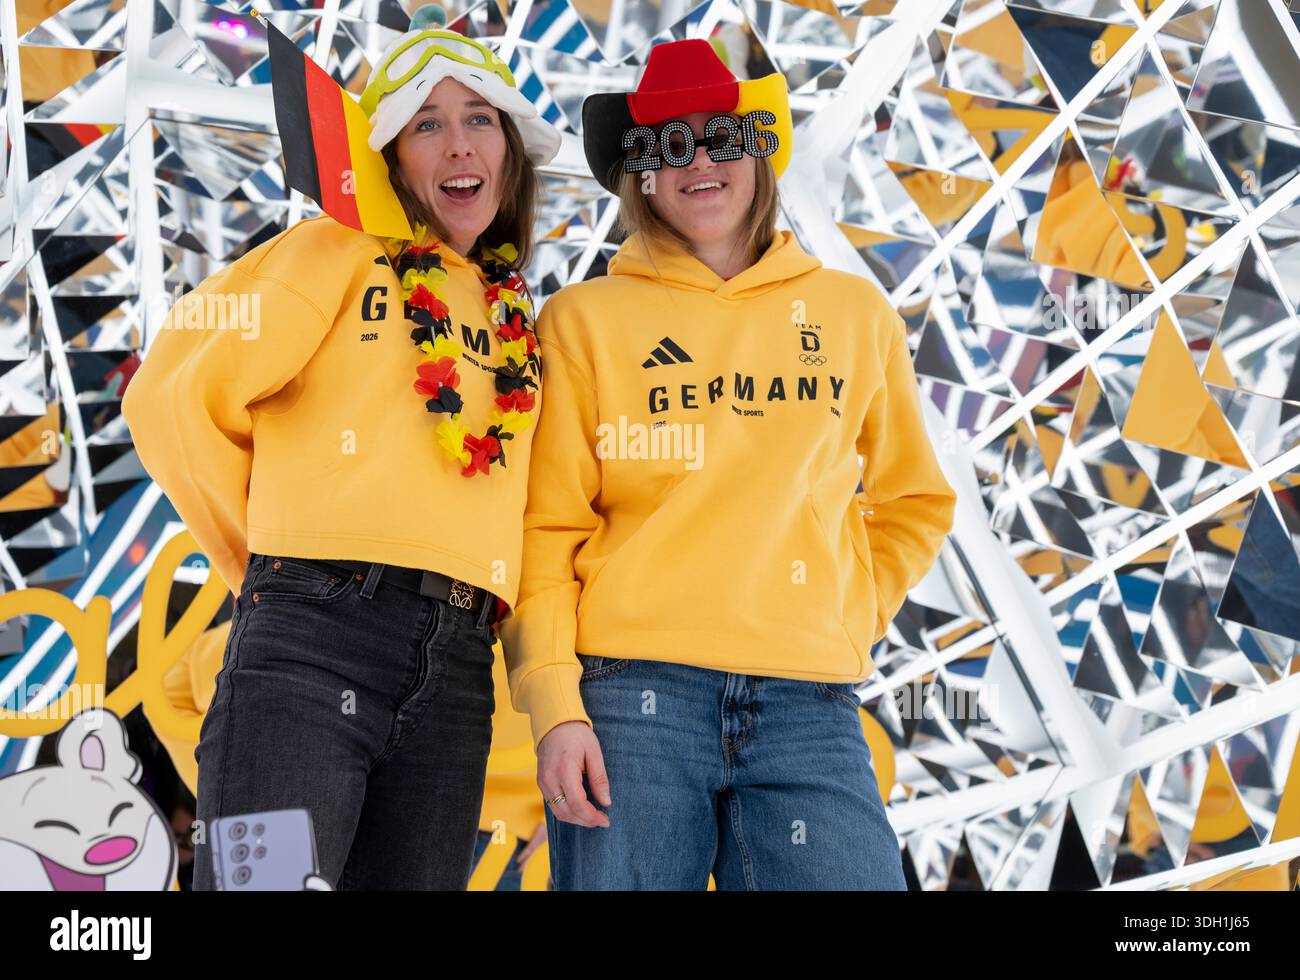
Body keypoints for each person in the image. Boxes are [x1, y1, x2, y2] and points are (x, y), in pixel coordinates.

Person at [121, 3, 559, 889]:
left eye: (479, 120)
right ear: (391, 158)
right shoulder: (332, 250)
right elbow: (172, 396)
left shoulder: (521, 322)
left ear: (510, 150)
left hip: (460, 673)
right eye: (426, 125)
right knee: (267, 890)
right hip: (310, 644)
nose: (459, 146)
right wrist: (270, 554)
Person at [500, 38, 956, 890]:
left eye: (721, 137)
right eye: (669, 144)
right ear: (640, 173)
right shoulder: (581, 321)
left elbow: (915, 500)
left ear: (761, 151)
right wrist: (556, 707)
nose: (698, 162)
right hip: (631, 701)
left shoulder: (854, 314)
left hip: (807, 705)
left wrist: (843, 615)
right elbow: (544, 529)